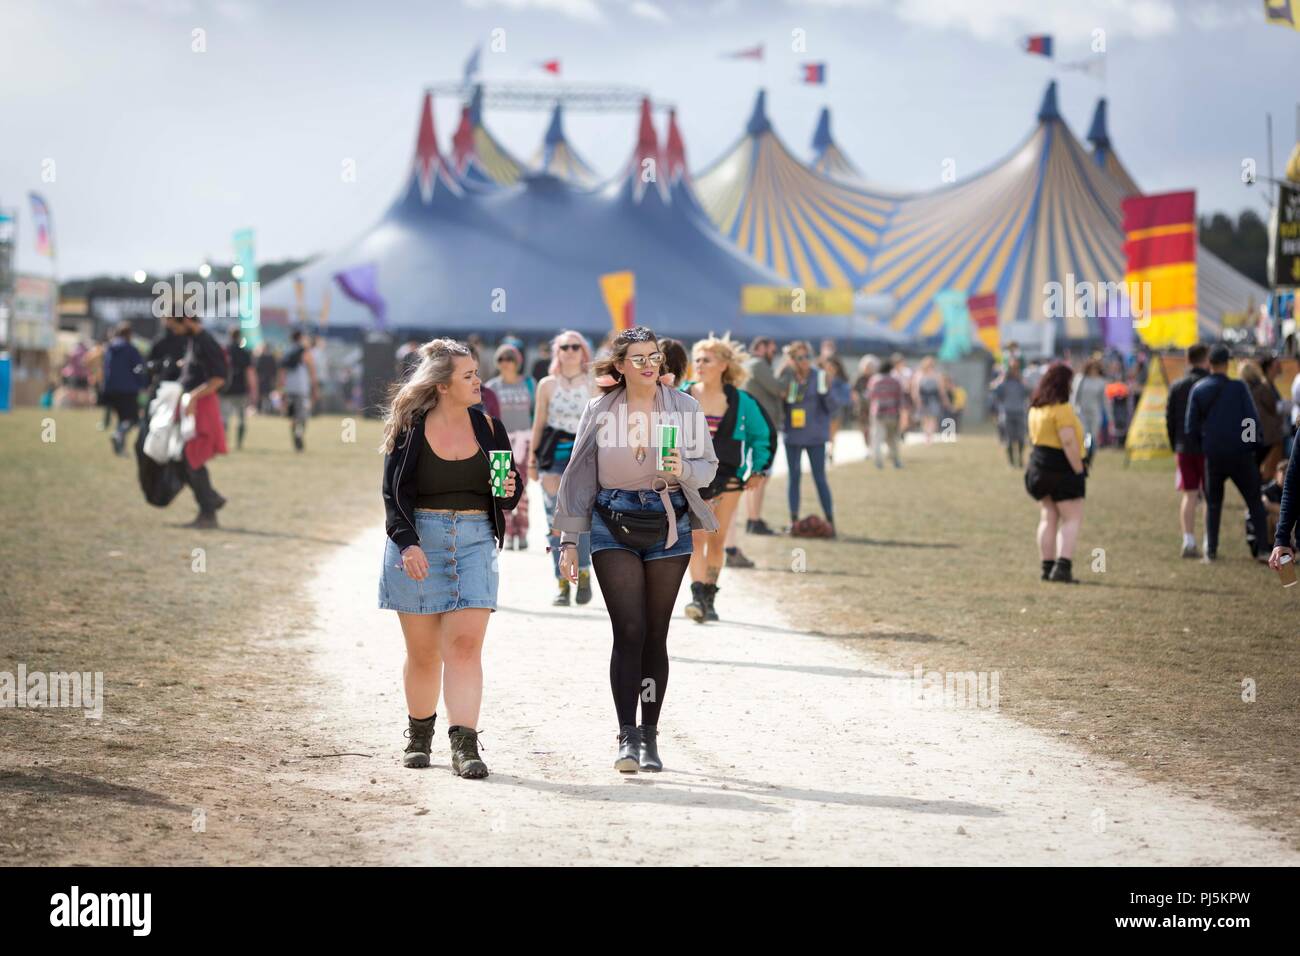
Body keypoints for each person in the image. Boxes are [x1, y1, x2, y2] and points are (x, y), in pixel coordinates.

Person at [552, 326, 719, 772]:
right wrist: (569, 540)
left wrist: (683, 465)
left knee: (655, 634)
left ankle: (650, 737)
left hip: (670, 522)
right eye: (638, 358)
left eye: (654, 357)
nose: (648, 365)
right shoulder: (600, 410)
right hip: (612, 520)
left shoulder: (685, 408)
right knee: (628, 630)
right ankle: (626, 736)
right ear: (621, 366)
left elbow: (708, 468)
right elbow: (580, 475)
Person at [378, 338, 521, 778]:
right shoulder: (410, 427)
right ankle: (419, 736)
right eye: (469, 376)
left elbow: (505, 493)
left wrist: (509, 488)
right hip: (419, 539)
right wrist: (409, 543)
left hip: (477, 539)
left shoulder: (490, 428)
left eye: (477, 373)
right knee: (424, 654)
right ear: (442, 386)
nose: (479, 381)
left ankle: (465, 746)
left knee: (464, 646)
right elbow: (393, 494)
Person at [682, 334, 773, 623]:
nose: (699, 364)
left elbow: (763, 436)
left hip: (728, 478)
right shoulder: (682, 396)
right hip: (691, 477)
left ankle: (709, 596)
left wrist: (758, 470)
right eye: (696, 359)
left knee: (717, 540)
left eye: (706, 360)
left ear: (723, 365)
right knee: (695, 538)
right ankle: (697, 597)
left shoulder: (742, 401)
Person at [1186, 345, 1269, 563]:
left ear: (1209, 364)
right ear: (1228, 363)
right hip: (1241, 454)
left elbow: (1190, 427)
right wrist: (1251, 446)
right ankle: (1262, 549)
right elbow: (1251, 419)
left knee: (1213, 504)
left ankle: (1211, 551)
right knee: (1254, 501)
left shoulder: (1199, 389)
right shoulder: (1239, 388)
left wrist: (1202, 448)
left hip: (1213, 455)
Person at [528, 330, 594, 606]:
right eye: (564, 347)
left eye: (574, 347)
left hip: (584, 454)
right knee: (556, 520)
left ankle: (583, 573)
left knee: (580, 519)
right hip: (552, 454)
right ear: (557, 352)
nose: (569, 351)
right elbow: (539, 421)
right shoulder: (547, 384)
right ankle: (562, 582)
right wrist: (531, 459)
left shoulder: (593, 383)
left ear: (583, 352)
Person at [1024, 363, 1087, 583]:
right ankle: (1062, 567)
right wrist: (1079, 470)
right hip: (1061, 468)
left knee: (1048, 517)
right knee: (1072, 518)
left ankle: (1046, 566)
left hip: (1038, 468)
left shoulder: (1035, 409)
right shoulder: (1062, 410)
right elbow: (1068, 441)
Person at [779, 340, 845, 533]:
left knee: (820, 478)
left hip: (816, 435)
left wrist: (827, 391)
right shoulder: (787, 376)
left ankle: (831, 522)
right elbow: (779, 402)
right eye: (799, 357)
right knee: (794, 477)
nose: (805, 361)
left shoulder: (820, 376)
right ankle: (794, 521)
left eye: (807, 356)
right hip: (792, 434)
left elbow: (833, 407)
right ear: (792, 360)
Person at [176, 313, 230, 529]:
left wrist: (193, 396)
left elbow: (218, 379)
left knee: (193, 457)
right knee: (185, 457)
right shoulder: (194, 341)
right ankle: (211, 499)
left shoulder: (207, 342)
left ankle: (208, 512)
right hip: (193, 403)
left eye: (174, 325)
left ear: (187, 321)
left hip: (202, 405)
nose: (173, 330)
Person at [484, 343, 534, 550]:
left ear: (517, 362)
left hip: (524, 440)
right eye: (501, 359)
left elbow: (537, 412)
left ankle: (522, 531)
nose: (505, 363)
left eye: (509, 358)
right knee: (501, 486)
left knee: (521, 486)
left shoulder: (530, 384)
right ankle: (508, 530)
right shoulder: (492, 386)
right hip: (500, 443)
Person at [1165, 344, 1210, 558]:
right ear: (1206, 359)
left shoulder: (1177, 385)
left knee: (1189, 494)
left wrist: (1176, 444)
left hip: (1184, 447)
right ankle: (1209, 541)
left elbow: (1170, 419)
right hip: (1206, 447)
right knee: (1210, 497)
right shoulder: (1210, 383)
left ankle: (1188, 541)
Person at [741, 336, 783, 535]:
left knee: (758, 475)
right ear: (760, 348)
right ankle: (754, 519)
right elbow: (779, 388)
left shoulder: (751, 364)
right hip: (762, 427)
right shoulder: (758, 364)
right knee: (761, 475)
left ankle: (753, 518)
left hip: (754, 425)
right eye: (772, 351)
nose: (773, 355)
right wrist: (787, 368)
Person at [102, 323, 145, 456]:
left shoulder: (110, 348)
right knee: (132, 419)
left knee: (122, 419)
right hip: (128, 389)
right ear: (129, 334)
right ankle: (118, 434)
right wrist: (143, 384)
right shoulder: (131, 349)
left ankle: (120, 449)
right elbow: (139, 369)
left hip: (111, 389)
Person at [1241, 358, 1285, 482]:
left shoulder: (1242, 388)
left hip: (1248, 431)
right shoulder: (1262, 388)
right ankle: (1259, 486)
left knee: (1254, 463)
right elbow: (1273, 406)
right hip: (1265, 434)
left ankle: (1257, 486)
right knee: (1261, 465)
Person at [279, 330, 318, 452]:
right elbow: (312, 371)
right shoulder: (305, 353)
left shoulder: (287, 352)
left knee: (293, 416)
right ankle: (299, 435)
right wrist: (315, 388)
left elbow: (282, 372)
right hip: (302, 388)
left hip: (289, 388)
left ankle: (296, 436)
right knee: (303, 416)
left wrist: (281, 389)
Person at [220, 325, 256, 450]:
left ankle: (224, 441)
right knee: (241, 418)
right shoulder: (244, 353)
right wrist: (253, 389)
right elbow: (249, 373)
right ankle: (239, 444)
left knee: (224, 418)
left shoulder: (224, 351)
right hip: (240, 389)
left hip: (225, 389)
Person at [865, 358, 904, 469]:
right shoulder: (895, 381)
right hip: (893, 413)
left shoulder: (874, 380)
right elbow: (900, 398)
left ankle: (878, 461)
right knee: (892, 438)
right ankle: (896, 460)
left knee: (877, 438)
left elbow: (869, 396)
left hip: (878, 413)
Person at [991, 358, 1029, 467]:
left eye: (1016, 368)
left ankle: (1020, 459)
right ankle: (1012, 461)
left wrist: (1021, 379)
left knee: (1021, 439)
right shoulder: (1004, 383)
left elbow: (1029, 391)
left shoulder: (1020, 382)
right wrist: (1001, 378)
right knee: (1009, 439)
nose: (1014, 371)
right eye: (1012, 368)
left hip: (1020, 412)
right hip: (1007, 413)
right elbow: (994, 389)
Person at [821, 356, 853, 462]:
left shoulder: (841, 382)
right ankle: (826, 451)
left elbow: (845, 398)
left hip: (835, 411)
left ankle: (830, 452)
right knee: (824, 433)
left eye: (832, 366)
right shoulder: (821, 378)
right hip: (822, 411)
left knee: (832, 434)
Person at [1072, 359, 1107, 451]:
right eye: (1092, 368)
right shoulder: (1081, 379)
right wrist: (1073, 409)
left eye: (1095, 368)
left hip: (1095, 412)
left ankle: (1090, 452)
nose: (1093, 371)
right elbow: (1075, 395)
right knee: (1085, 433)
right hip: (1082, 411)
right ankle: (1086, 451)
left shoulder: (1101, 382)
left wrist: (1109, 416)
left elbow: (1104, 400)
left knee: (1093, 435)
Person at [910, 356, 948, 442]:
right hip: (923, 398)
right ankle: (926, 435)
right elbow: (915, 388)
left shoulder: (937, 375)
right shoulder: (919, 374)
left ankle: (930, 436)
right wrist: (916, 399)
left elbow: (941, 389)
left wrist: (944, 400)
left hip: (933, 398)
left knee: (933, 418)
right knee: (924, 418)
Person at [254, 343, 278, 414]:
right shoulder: (269, 358)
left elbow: (258, 369)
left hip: (265, 379)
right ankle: (265, 409)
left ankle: (266, 409)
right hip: (266, 379)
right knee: (265, 394)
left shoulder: (263, 358)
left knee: (266, 394)